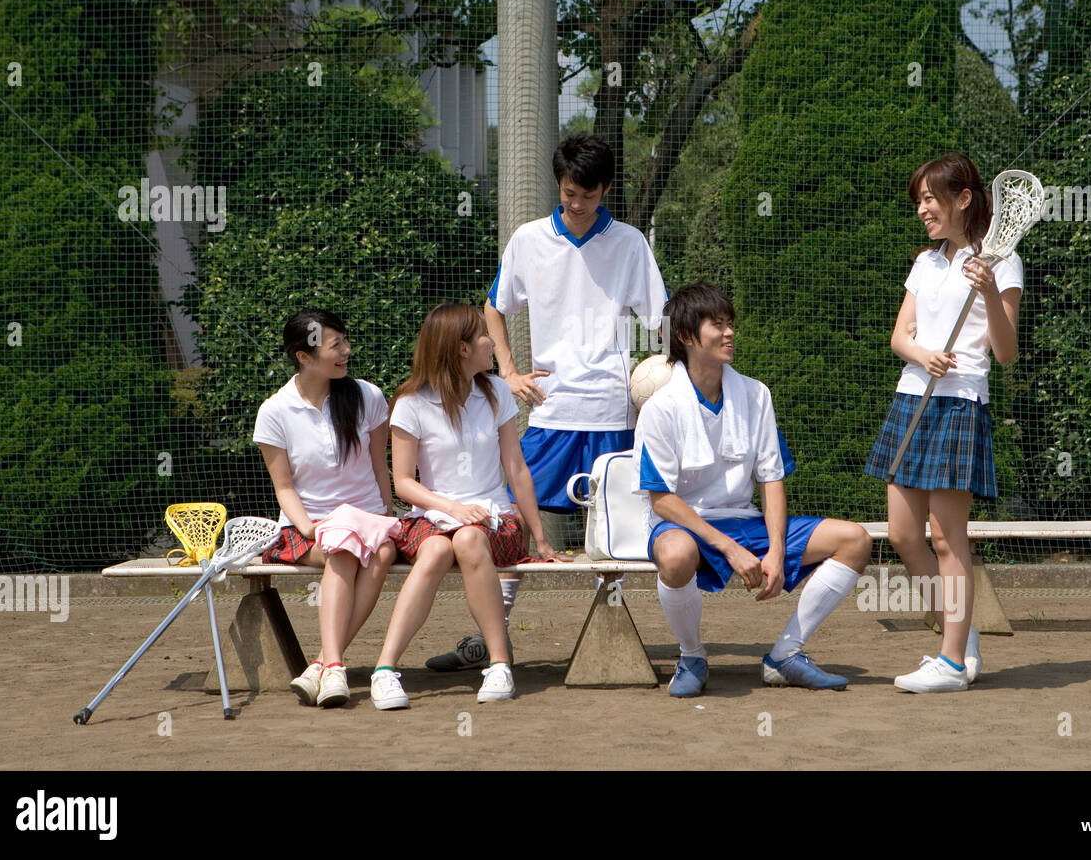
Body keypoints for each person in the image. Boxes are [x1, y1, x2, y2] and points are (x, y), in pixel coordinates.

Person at [425, 132, 668, 671]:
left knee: (617, 532)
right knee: (507, 521)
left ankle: (611, 643)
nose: (575, 204)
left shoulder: (630, 243)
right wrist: (507, 371)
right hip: (551, 410)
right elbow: (494, 307)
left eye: (586, 194)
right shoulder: (529, 239)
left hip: (612, 412)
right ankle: (490, 642)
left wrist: (663, 373)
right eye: (566, 194)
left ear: (605, 189)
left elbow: (661, 319)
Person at [635, 282, 871, 697]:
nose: (729, 333)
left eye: (730, 324)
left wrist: (776, 551)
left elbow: (772, 480)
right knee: (675, 555)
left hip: (747, 523)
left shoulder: (756, 394)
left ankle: (785, 655)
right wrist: (729, 547)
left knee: (855, 539)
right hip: (685, 526)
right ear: (687, 337)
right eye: (717, 325)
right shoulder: (660, 407)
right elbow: (662, 499)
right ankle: (691, 656)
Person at [864, 151, 1023, 693]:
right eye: (919, 201)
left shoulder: (1000, 261)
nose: (923, 209)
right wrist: (921, 353)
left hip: (960, 403)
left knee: (947, 538)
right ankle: (961, 632)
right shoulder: (926, 262)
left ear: (963, 199)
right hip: (913, 398)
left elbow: (1005, 353)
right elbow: (899, 335)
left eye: (930, 198)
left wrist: (987, 294)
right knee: (903, 534)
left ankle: (951, 661)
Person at [369, 303, 553, 708]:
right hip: (432, 520)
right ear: (461, 349)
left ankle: (499, 663)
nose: (492, 341)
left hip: (494, 522)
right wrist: (452, 508)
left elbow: (516, 468)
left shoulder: (497, 392)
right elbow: (403, 484)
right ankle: (384, 670)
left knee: (469, 539)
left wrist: (540, 539)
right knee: (435, 548)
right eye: (483, 335)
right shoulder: (411, 403)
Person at [254, 309, 397, 708]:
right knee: (344, 548)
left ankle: (324, 665)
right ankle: (333, 664)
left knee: (381, 550)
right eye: (337, 346)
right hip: (307, 528)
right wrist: (310, 528)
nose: (347, 351)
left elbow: (378, 465)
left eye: (345, 342)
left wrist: (386, 514)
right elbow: (284, 487)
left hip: (368, 519)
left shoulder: (368, 396)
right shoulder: (274, 411)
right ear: (304, 356)